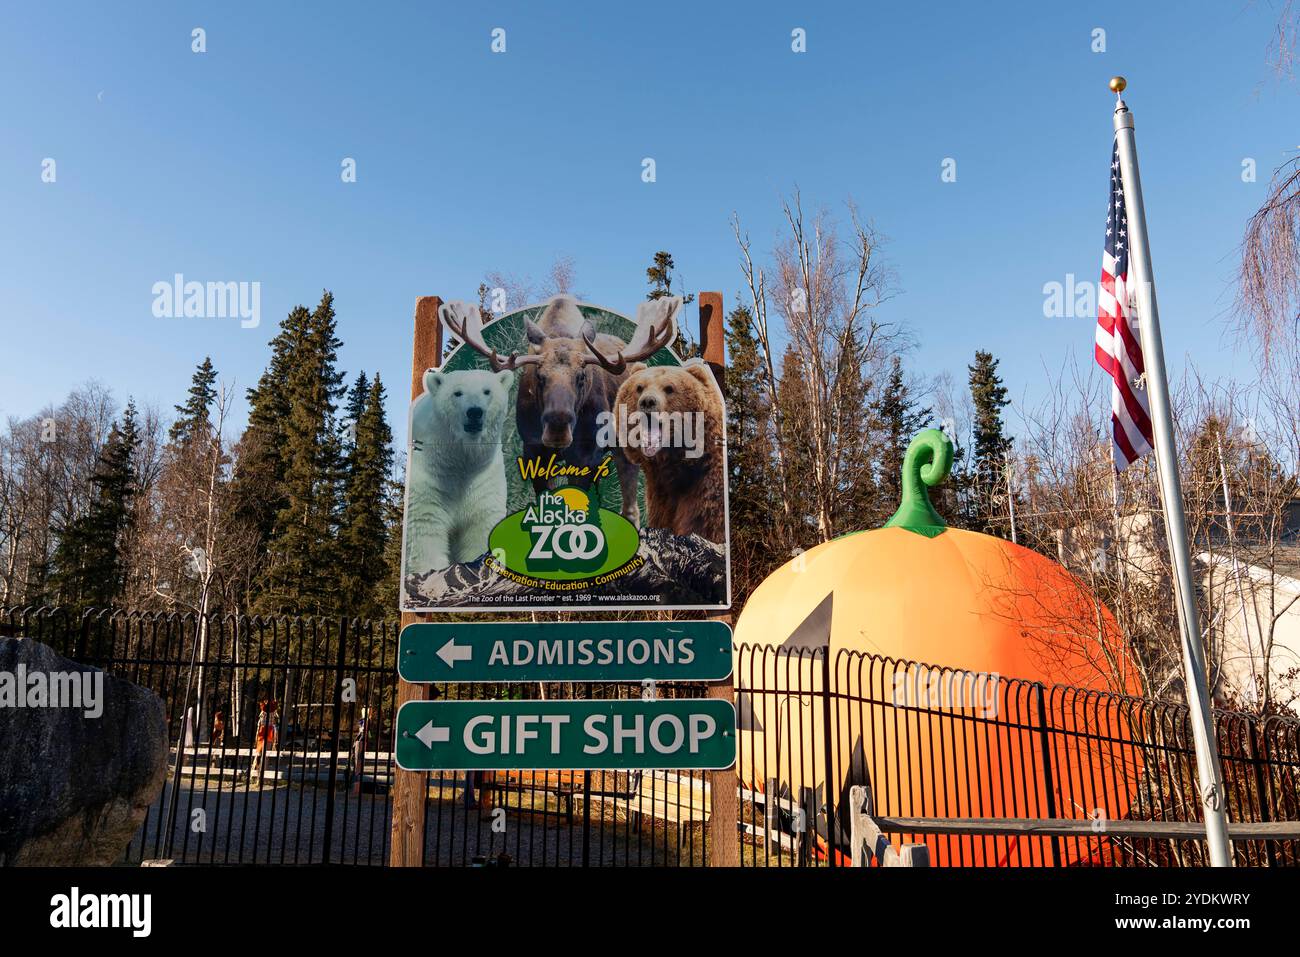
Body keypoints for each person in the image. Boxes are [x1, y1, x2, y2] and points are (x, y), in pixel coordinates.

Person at [249, 699, 278, 787]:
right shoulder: (273, 712)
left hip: (263, 733)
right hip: (269, 733)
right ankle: (262, 777)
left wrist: (256, 737)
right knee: (265, 757)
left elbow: (259, 725)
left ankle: (258, 777)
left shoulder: (263, 713)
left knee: (259, 755)